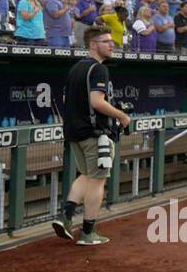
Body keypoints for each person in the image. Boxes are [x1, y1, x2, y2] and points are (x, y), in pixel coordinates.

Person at [51, 25, 130, 246]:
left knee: (86, 175)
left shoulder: (76, 68)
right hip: (95, 134)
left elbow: (67, 102)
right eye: (106, 41)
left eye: (111, 41)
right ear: (93, 45)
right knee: (97, 181)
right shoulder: (98, 69)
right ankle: (88, 232)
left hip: (75, 132)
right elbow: (96, 102)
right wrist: (122, 116)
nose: (111, 44)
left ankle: (65, 217)